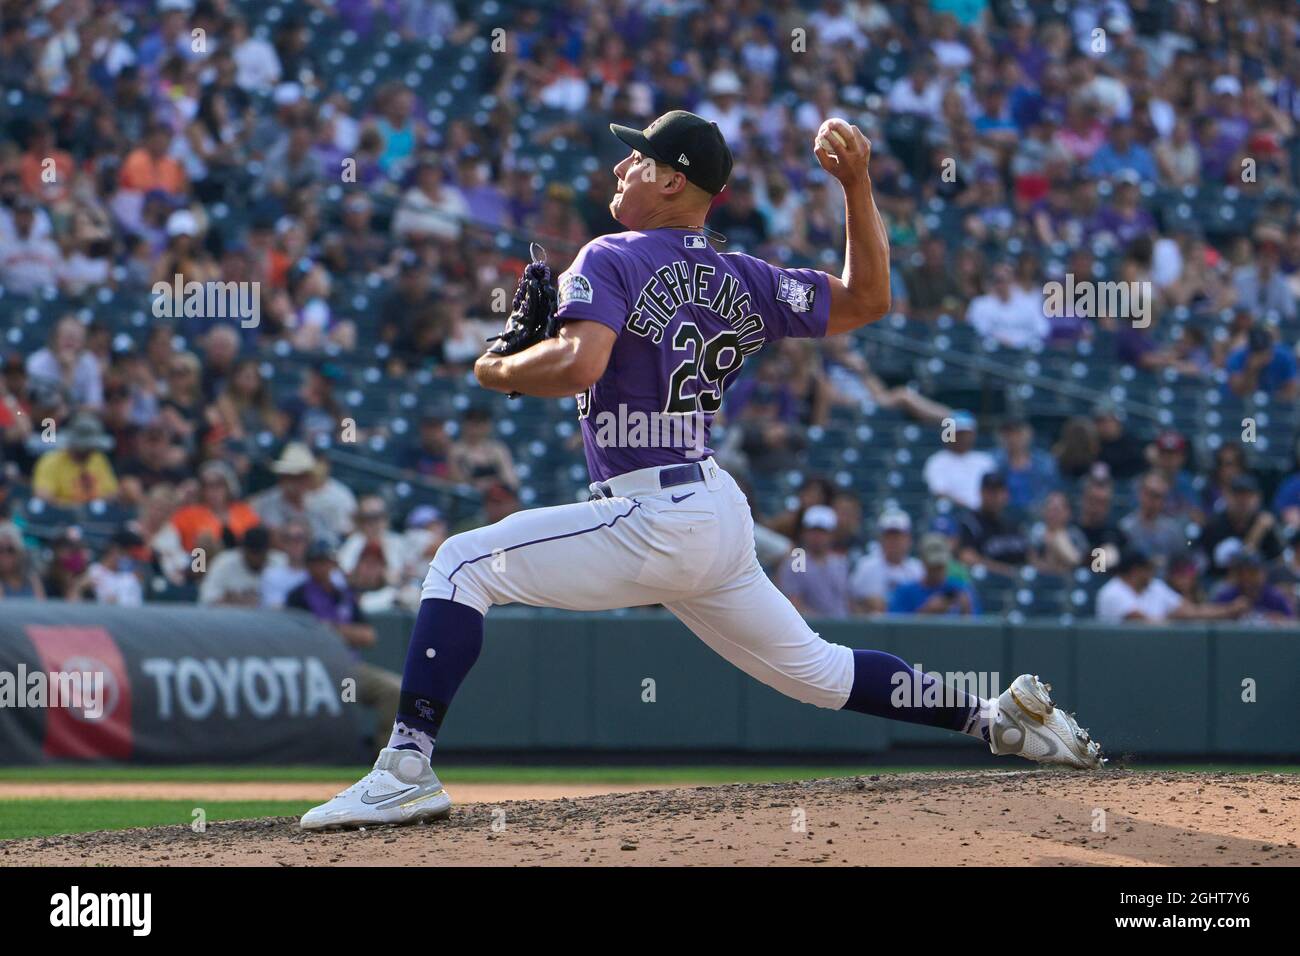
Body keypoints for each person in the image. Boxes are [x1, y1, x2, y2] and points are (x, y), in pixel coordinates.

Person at [303, 111, 1100, 831]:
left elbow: (580, 366)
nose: (621, 170)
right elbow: (867, 300)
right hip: (713, 510)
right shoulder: (744, 273)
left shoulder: (611, 253)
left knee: (460, 562)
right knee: (820, 672)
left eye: (637, 160)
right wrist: (856, 185)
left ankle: (405, 768)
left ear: (673, 179)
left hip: (655, 512)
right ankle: (998, 719)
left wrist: (498, 369)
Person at [286, 542, 401, 752]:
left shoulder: (344, 594)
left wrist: (333, 630)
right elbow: (303, 636)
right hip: (315, 669)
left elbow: (369, 636)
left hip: (349, 667)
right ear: (309, 566)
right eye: (318, 563)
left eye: (327, 562)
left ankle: (384, 759)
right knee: (337, 700)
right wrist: (344, 633)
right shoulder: (298, 595)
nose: (323, 567)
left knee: (395, 690)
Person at [1096, 547, 1247, 624]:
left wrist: (1228, 610)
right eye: (1149, 568)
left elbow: (1191, 611)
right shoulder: (1112, 592)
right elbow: (1142, 624)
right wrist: (1173, 618)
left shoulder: (1154, 586)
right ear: (1136, 571)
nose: (1153, 572)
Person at [1199, 473, 1284, 578]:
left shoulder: (1264, 522)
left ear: (1258, 498)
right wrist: (1256, 534)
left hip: (1261, 583)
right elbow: (1232, 572)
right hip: (1221, 582)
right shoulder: (1215, 525)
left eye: (1248, 496)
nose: (1243, 501)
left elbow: (1279, 561)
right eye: (1238, 495)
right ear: (1227, 496)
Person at [776, 505, 851, 618]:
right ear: (804, 533)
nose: (817, 537)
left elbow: (848, 601)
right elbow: (794, 602)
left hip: (842, 625)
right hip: (810, 627)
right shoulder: (798, 559)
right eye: (813, 531)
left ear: (832, 534)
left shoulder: (840, 562)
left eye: (822, 532)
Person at [31, 413, 120, 506]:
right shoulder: (51, 461)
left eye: (92, 447)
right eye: (85, 447)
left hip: (97, 518)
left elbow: (112, 493)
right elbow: (43, 496)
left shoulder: (98, 458)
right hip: (62, 518)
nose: (89, 451)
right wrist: (74, 508)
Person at [956, 472, 1030, 577]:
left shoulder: (1014, 522)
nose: (995, 497)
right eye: (991, 492)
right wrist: (1005, 571)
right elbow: (967, 557)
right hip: (987, 586)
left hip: (1017, 583)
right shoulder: (971, 522)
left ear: (1006, 494)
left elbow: (1030, 556)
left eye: (999, 491)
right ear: (981, 493)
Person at [849, 508, 922, 614]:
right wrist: (866, 604)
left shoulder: (917, 569)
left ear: (908, 539)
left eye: (897, 536)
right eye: (889, 536)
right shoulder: (865, 567)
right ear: (880, 538)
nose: (893, 541)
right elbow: (850, 602)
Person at [888, 534, 979, 616]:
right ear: (923, 562)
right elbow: (894, 630)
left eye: (940, 566)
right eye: (933, 566)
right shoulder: (905, 592)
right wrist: (926, 612)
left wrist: (966, 612)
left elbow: (978, 628)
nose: (937, 571)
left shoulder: (961, 590)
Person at [921, 410, 996, 510]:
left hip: (984, 514)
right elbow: (939, 493)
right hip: (954, 514)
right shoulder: (937, 461)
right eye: (958, 433)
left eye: (966, 433)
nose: (962, 437)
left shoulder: (985, 460)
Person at [199, 525, 285, 606]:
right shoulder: (224, 562)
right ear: (242, 549)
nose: (255, 558)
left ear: (267, 551)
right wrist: (229, 601)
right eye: (252, 552)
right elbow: (206, 598)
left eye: (259, 552)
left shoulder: (281, 562)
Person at [1118, 472, 1189, 569]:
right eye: (1149, 494)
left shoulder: (1173, 530)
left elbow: (1181, 563)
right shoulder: (1125, 527)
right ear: (1140, 494)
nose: (1152, 500)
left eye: (1158, 496)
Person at [1211, 551, 1294, 623]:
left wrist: (1281, 621)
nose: (1247, 578)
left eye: (1252, 573)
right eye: (1242, 573)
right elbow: (1208, 621)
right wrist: (1229, 611)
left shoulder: (1274, 596)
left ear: (1263, 574)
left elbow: (1293, 623)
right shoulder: (1227, 595)